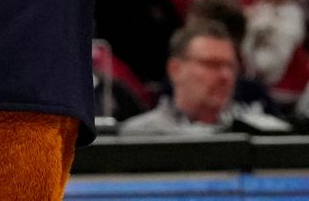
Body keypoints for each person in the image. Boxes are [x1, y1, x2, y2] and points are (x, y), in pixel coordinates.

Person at [118, 20, 289, 135]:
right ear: (175, 69)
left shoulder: (256, 135)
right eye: (211, 65)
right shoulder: (138, 135)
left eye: (230, 66)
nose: (225, 76)